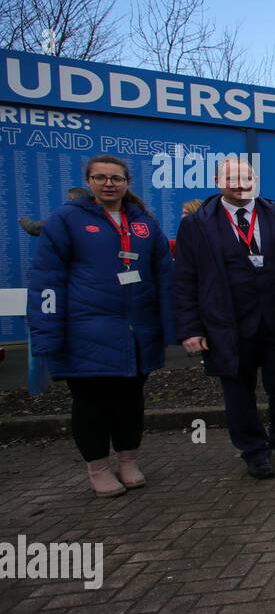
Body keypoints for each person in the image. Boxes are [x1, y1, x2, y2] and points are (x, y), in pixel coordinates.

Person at [172, 158, 275, 479]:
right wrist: (189, 328)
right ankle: (254, 451)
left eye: (246, 177)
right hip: (228, 326)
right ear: (219, 181)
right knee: (238, 393)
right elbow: (184, 279)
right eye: (232, 178)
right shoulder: (197, 224)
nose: (240, 183)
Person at [26, 157, 174, 496]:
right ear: (89, 181)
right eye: (100, 178)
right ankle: (98, 468)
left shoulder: (145, 224)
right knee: (91, 405)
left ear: (127, 183)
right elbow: (48, 280)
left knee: (130, 402)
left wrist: (171, 328)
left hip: (136, 333)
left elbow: (165, 277)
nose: (109, 184)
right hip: (85, 332)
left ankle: (128, 461)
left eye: (116, 178)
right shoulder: (67, 220)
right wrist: (47, 334)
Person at [19, 187, 91, 237]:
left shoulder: (65, 217)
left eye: (68, 198)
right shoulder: (95, 215)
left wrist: (22, 219)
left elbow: (33, 229)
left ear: (72, 199)